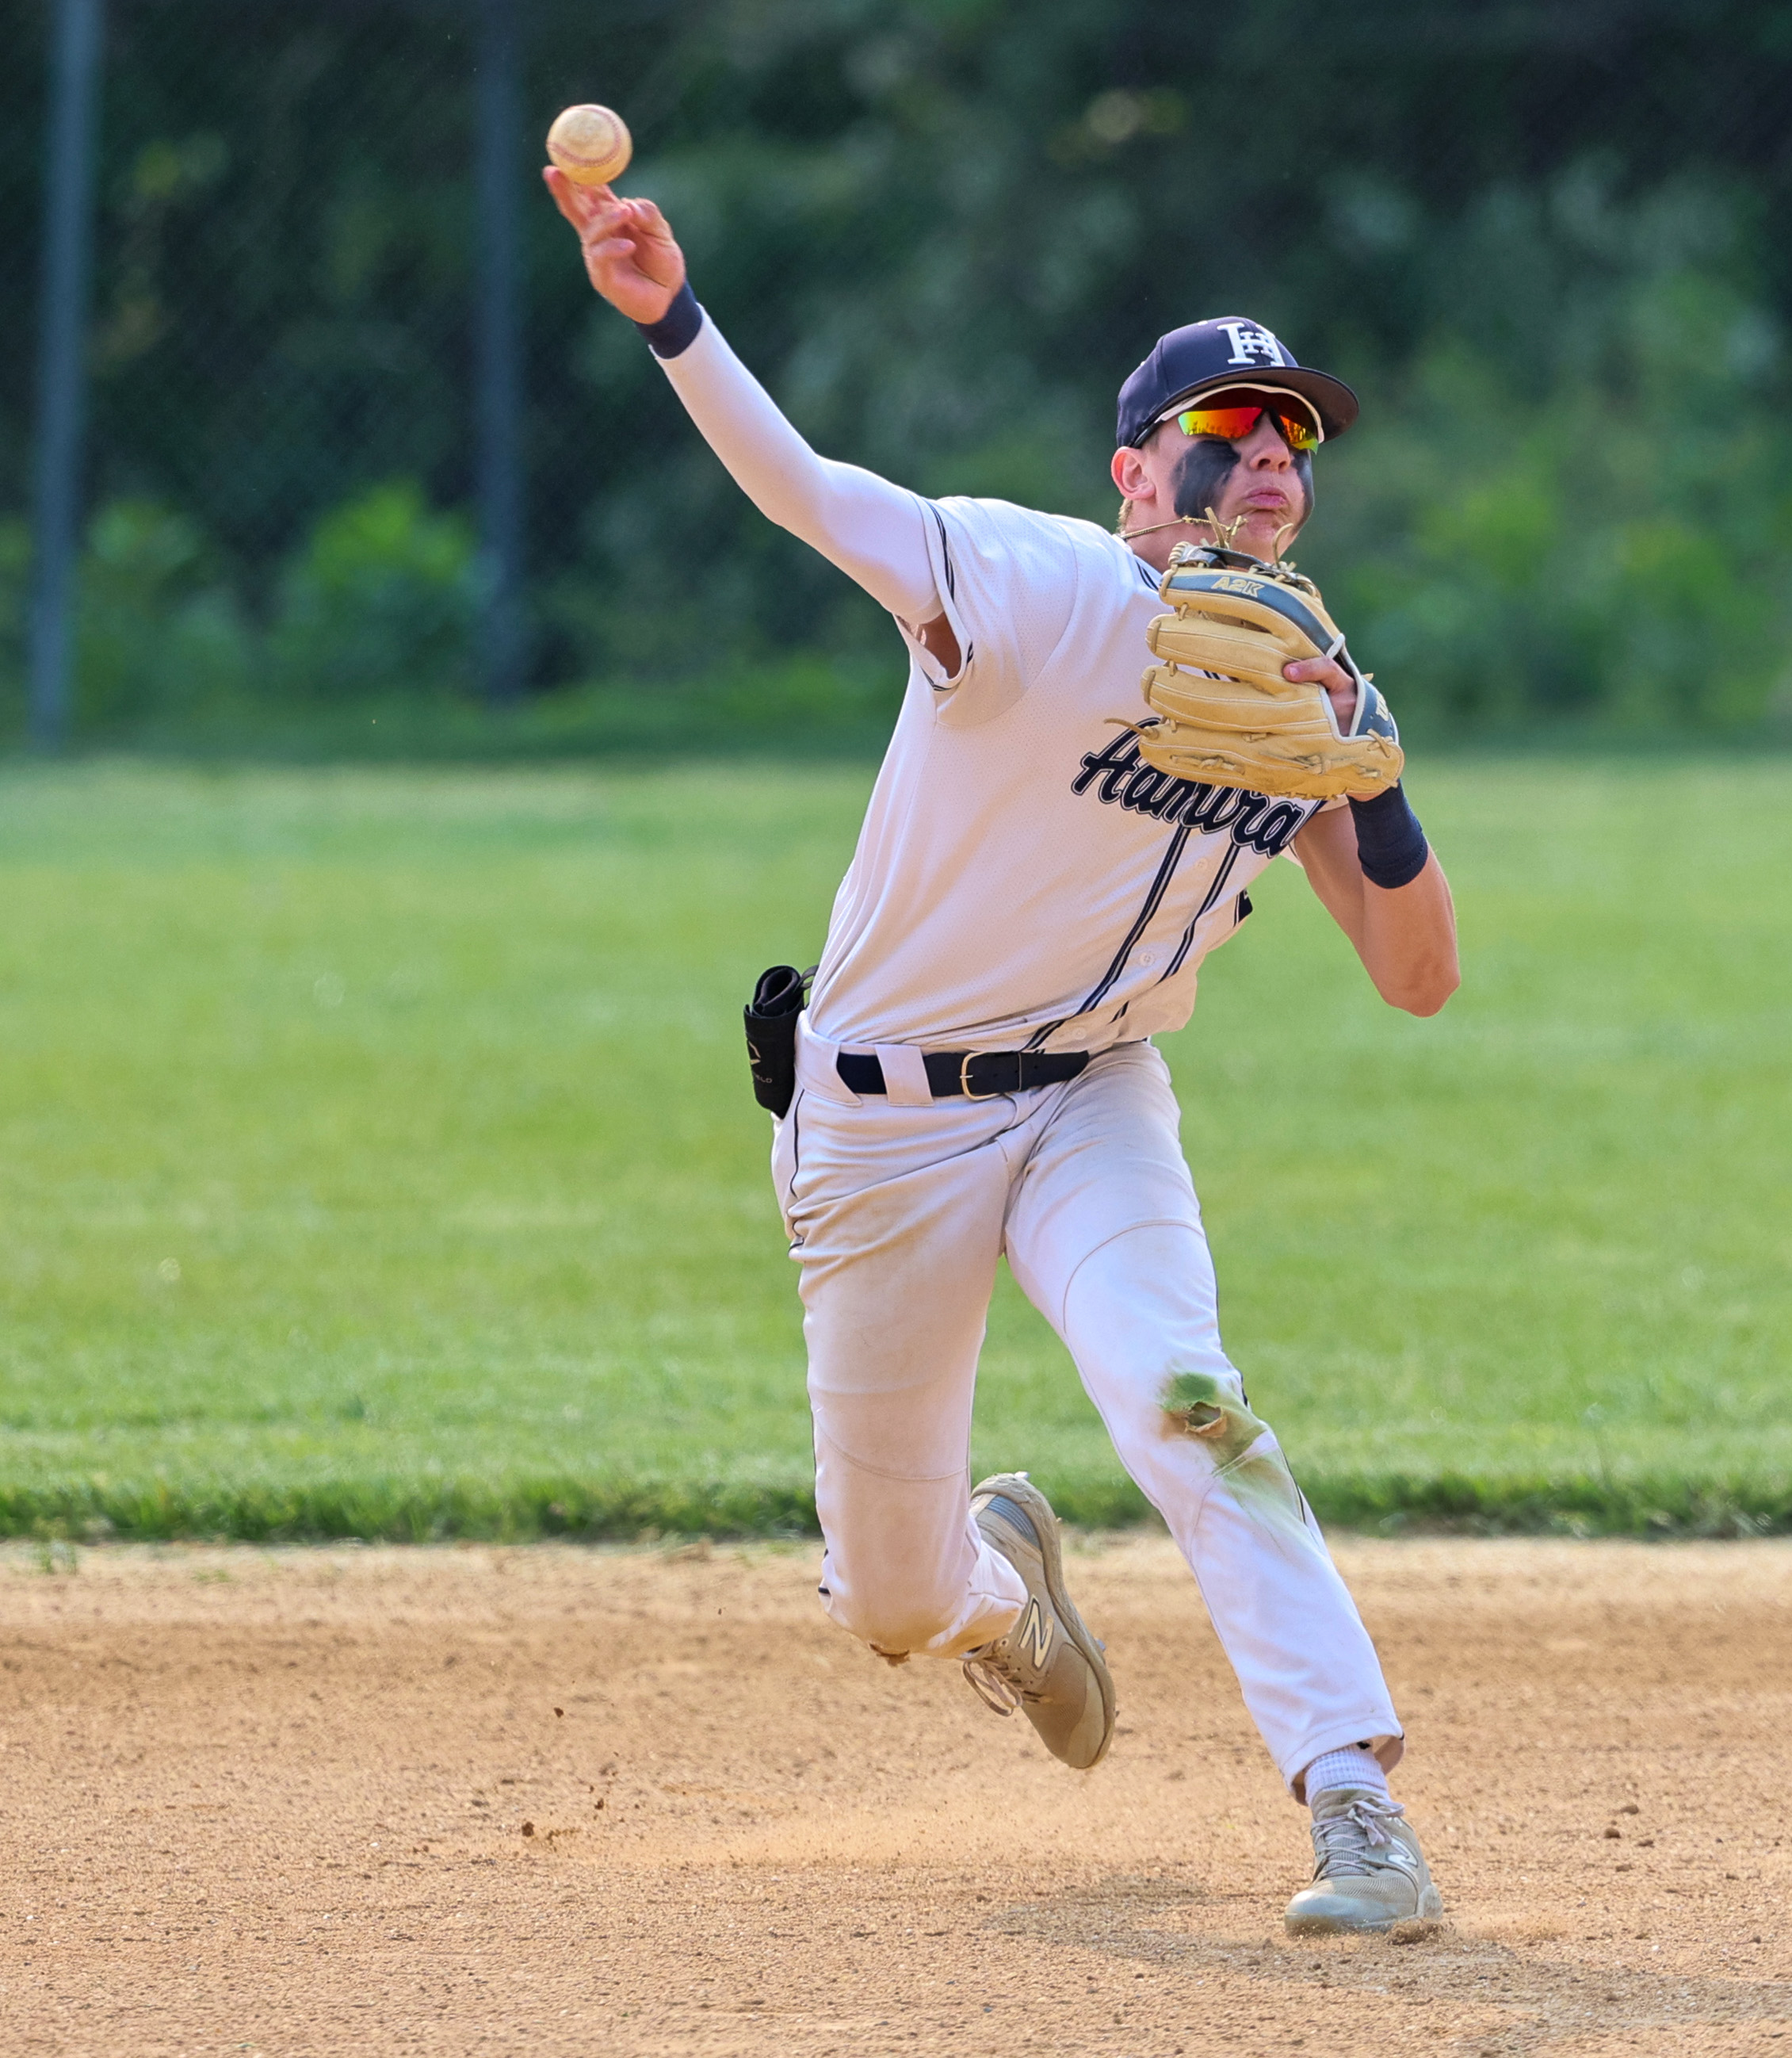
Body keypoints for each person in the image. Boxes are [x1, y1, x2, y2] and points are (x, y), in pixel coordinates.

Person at [547, 170, 1461, 1934]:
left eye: (1294, 437)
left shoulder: (1301, 696)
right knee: (889, 1599)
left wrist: (1371, 767)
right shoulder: (1022, 582)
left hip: (1096, 1101)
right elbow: (805, 492)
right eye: (1227, 428)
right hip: (880, 1121)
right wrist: (672, 317)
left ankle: (1356, 1804)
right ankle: (1004, 1603)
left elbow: (1417, 977)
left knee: (1186, 1400)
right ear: (1132, 469)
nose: (1270, 457)